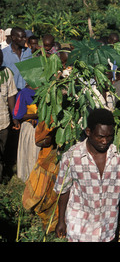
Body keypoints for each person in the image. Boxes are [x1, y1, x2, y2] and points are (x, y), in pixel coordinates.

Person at [53, 108, 120, 242]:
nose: (105, 141)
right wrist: (61, 220)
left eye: (109, 136)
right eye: (100, 137)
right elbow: (63, 190)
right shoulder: (72, 156)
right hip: (79, 226)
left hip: (107, 226)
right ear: (88, 132)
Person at [22, 121, 60, 231]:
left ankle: (55, 225)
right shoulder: (51, 113)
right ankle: (47, 226)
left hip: (58, 164)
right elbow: (39, 140)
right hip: (47, 163)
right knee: (44, 195)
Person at [13, 84, 40, 182]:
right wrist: (35, 115)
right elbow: (18, 115)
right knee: (30, 154)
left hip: (41, 128)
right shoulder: (24, 93)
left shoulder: (45, 91)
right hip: (29, 128)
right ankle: (29, 178)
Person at [0, 50, 19, 183]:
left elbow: (11, 96)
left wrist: (14, 116)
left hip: (3, 120)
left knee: (2, 150)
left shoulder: (6, 73)